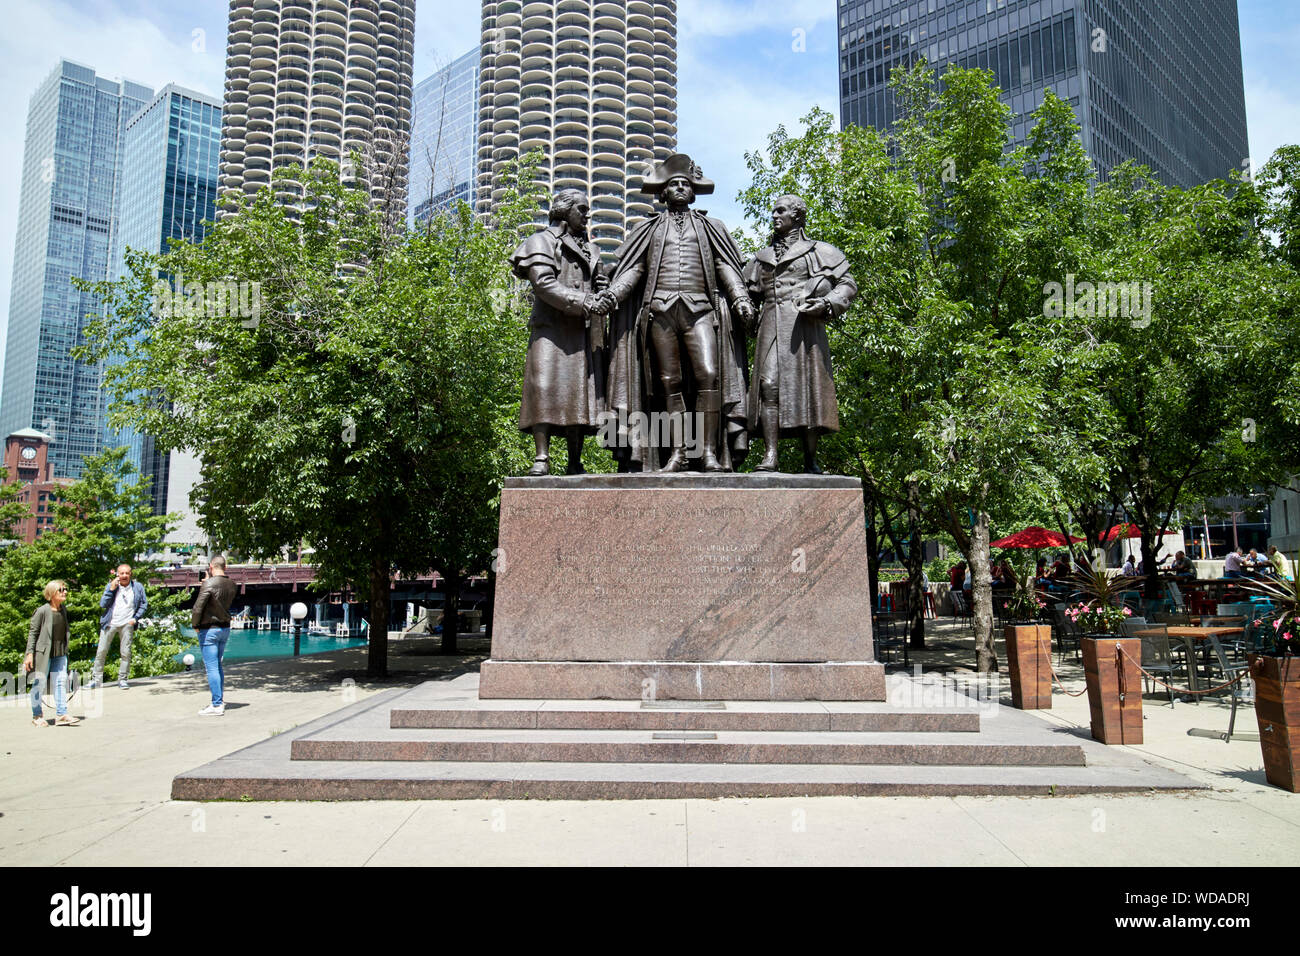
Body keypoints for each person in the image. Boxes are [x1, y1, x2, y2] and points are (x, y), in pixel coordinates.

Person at [605, 153, 755, 471]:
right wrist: (613, 295)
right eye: (674, 184)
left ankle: (708, 453)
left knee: (709, 375)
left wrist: (740, 297)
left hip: (700, 310)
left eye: (686, 184)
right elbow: (634, 270)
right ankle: (678, 453)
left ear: (693, 191)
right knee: (668, 382)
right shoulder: (649, 229)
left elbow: (724, 266)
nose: (680, 188)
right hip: (660, 311)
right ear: (664, 191)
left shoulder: (710, 227)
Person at [741, 194, 858, 473]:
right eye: (773, 211)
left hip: (804, 327)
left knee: (809, 389)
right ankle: (771, 454)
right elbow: (747, 294)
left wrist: (827, 303)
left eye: (781, 211)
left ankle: (810, 459)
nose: (774, 215)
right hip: (770, 327)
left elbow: (847, 284)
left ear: (797, 216)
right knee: (768, 385)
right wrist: (744, 310)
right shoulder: (761, 258)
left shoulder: (820, 251)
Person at [510, 188, 610, 476]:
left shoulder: (592, 250)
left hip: (581, 332)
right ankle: (542, 457)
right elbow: (543, 284)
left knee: (577, 393)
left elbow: (595, 286)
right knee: (543, 387)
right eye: (582, 209)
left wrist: (601, 288)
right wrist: (585, 301)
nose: (587, 215)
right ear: (565, 210)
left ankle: (575, 460)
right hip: (551, 331)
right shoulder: (540, 241)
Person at [24, 580, 78, 727]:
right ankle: (37, 716)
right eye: (61, 590)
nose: (65, 592)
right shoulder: (42, 611)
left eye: (65, 589)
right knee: (39, 683)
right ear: (52, 593)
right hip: (43, 653)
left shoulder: (63, 609)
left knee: (60, 682)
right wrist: (29, 654)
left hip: (60, 651)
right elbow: (33, 633)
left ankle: (61, 714)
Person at [192, 555, 237, 716]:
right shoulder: (232, 584)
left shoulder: (209, 584)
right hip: (224, 628)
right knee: (217, 666)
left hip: (209, 629)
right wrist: (208, 583)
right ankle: (219, 699)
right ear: (225, 567)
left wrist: (195, 625)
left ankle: (217, 704)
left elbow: (198, 608)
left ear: (211, 566)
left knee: (211, 667)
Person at [91, 563, 148, 689]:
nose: (124, 575)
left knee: (126, 653)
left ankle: (123, 679)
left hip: (127, 624)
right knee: (101, 651)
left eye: (127, 573)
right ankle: (96, 680)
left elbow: (144, 604)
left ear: (131, 574)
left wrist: (135, 618)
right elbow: (103, 604)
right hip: (110, 623)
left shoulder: (137, 587)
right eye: (122, 573)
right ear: (118, 574)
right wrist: (111, 589)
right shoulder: (111, 586)